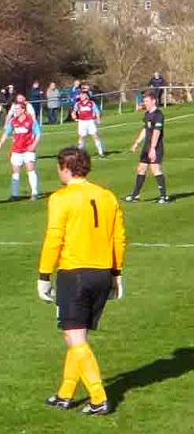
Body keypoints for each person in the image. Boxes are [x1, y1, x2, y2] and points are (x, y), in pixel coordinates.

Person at [38, 147, 125, 415]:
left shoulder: (60, 199)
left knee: (73, 336)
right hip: (101, 272)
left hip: (74, 273)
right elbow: (119, 236)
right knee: (78, 336)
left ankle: (98, 398)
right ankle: (65, 393)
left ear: (65, 167)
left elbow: (54, 238)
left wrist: (44, 274)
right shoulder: (107, 196)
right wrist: (116, 273)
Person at [0, 95, 42, 201]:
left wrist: (34, 145)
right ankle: (14, 194)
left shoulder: (31, 120)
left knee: (30, 170)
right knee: (15, 172)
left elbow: (38, 134)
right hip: (16, 150)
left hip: (28, 150)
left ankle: (34, 193)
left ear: (23, 110)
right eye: (14, 109)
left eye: (17, 109)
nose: (15, 111)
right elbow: (6, 133)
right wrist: (0, 143)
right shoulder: (13, 121)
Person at [126, 92, 169, 203]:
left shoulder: (158, 115)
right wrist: (137, 143)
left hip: (155, 147)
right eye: (144, 101)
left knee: (155, 169)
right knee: (141, 168)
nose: (145, 103)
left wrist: (153, 148)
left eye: (147, 101)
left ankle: (164, 196)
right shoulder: (147, 114)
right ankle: (135, 195)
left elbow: (156, 132)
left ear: (153, 101)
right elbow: (146, 130)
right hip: (146, 147)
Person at [70, 85, 105, 157]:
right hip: (82, 122)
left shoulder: (91, 103)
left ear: (86, 96)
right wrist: (73, 115)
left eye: (82, 95)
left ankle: (101, 152)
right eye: (80, 95)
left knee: (95, 136)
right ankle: (79, 153)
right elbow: (74, 111)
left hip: (90, 121)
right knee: (81, 137)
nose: (81, 96)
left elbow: (97, 111)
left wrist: (98, 119)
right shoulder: (78, 104)